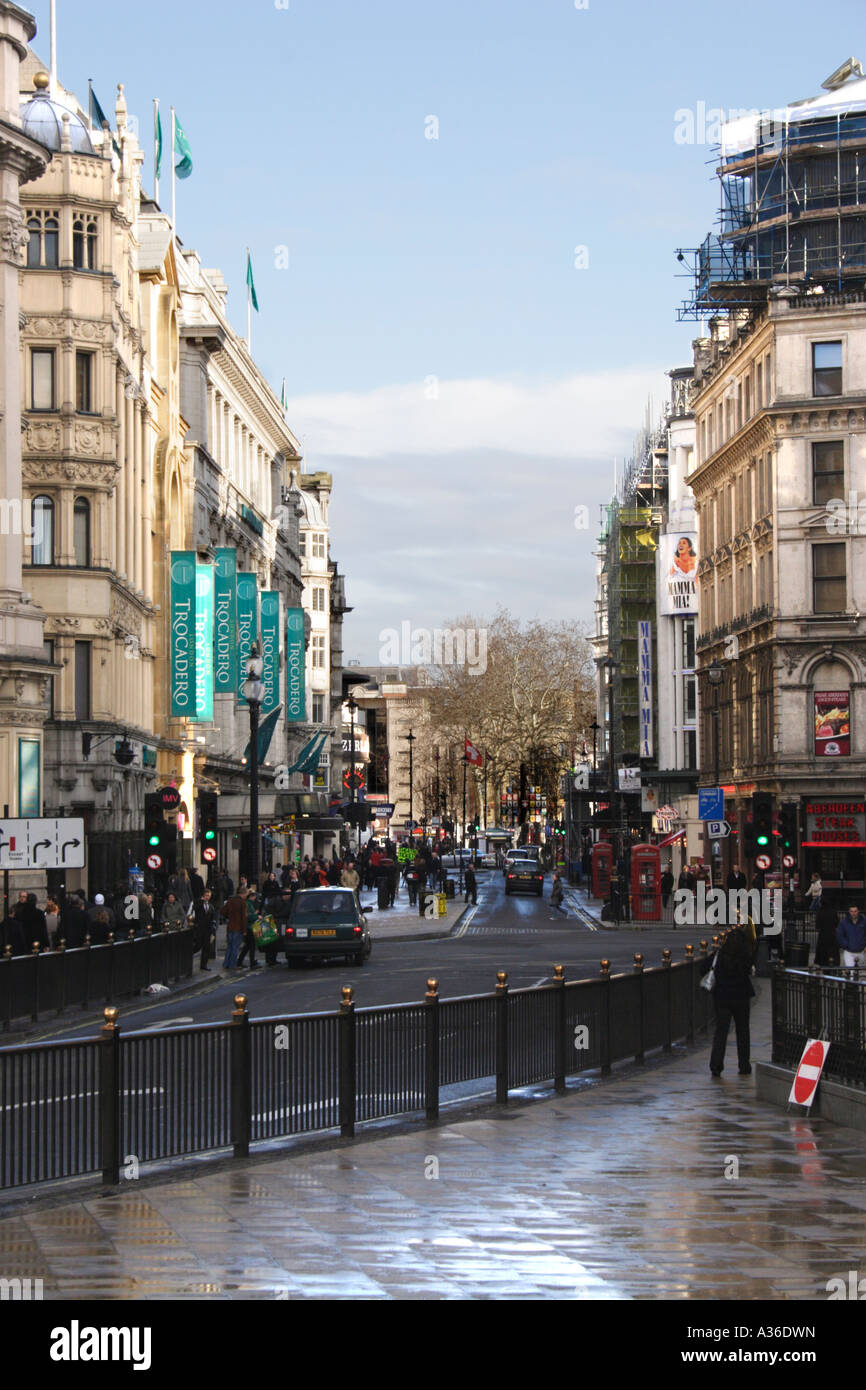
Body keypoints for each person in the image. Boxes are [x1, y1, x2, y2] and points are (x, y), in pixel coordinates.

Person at [700, 924, 755, 1077]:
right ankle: (744, 1065)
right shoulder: (745, 956)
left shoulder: (720, 955)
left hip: (722, 997)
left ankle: (716, 1065)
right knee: (743, 1031)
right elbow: (749, 970)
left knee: (721, 1032)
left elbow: (703, 968)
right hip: (741, 997)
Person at [192, 889, 217, 971]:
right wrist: (201, 901)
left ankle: (204, 965)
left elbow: (213, 918)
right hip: (199, 929)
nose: (207, 897)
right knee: (197, 946)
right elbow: (195, 908)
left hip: (207, 930)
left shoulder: (211, 906)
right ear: (203, 896)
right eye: (206, 895)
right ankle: (188, 957)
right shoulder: (198, 903)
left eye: (209, 896)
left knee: (206, 948)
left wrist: (213, 930)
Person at [223, 888, 248, 970]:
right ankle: (232, 965)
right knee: (235, 947)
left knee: (229, 946)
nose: (246, 896)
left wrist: (229, 917)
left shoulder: (230, 900)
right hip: (239, 928)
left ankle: (226, 963)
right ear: (243, 893)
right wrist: (245, 930)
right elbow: (244, 918)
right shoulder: (242, 903)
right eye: (246, 894)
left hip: (230, 927)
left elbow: (222, 911)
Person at [237, 888, 261, 970]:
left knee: (247, 946)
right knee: (252, 946)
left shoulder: (248, 903)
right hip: (249, 927)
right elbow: (249, 916)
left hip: (248, 927)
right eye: (254, 896)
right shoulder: (248, 904)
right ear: (252, 896)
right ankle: (252, 963)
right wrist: (257, 916)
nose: (255, 898)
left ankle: (239, 962)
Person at [836, 903, 866, 969]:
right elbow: (840, 935)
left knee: (857, 972)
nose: (853, 913)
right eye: (851, 911)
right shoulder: (844, 923)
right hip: (849, 952)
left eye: (855, 911)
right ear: (849, 912)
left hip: (861, 952)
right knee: (851, 972)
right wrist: (846, 945)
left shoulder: (864, 921)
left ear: (858, 911)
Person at [814, 900, 841, 969]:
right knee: (833, 955)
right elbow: (837, 923)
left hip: (823, 936)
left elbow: (817, 926)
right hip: (832, 936)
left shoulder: (820, 912)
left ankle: (825, 970)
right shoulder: (833, 912)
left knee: (823, 956)